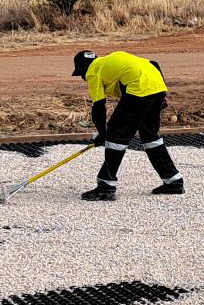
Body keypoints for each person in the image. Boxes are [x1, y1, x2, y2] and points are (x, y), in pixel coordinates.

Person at [73, 49, 182, 201]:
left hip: (139, 90)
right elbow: (153, 64)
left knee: (115, 137)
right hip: (157, 87)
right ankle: (173, 182)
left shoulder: (93, 70)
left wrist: (103, 134)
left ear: (84, 67)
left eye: (81, 74)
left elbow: (98, 107)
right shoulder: (111, 60)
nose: (83, 78)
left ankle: (106, 187)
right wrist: (162, 95)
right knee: (150, 137)